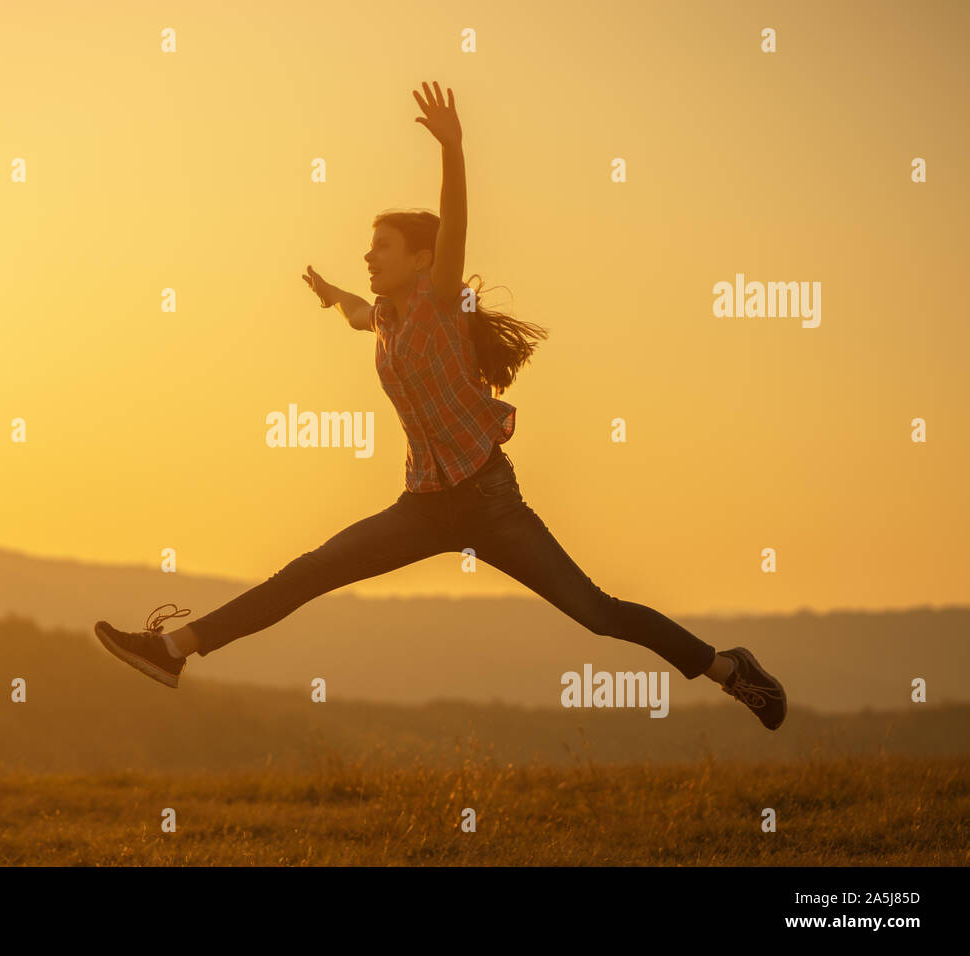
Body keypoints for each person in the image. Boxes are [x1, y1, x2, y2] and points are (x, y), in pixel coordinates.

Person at [96, 81, 786, 730]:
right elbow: (361, 314)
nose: (370, 256)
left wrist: (453, 150)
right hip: (422, 507)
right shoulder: (390, 318)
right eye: (367, 249)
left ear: (424, 260)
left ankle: (731, 669)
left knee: (599, 615)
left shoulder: (440, 304)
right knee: (308, 572)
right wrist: (335, 295)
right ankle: (173, 650)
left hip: (491, 504)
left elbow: (455, 222)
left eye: (382, 247)